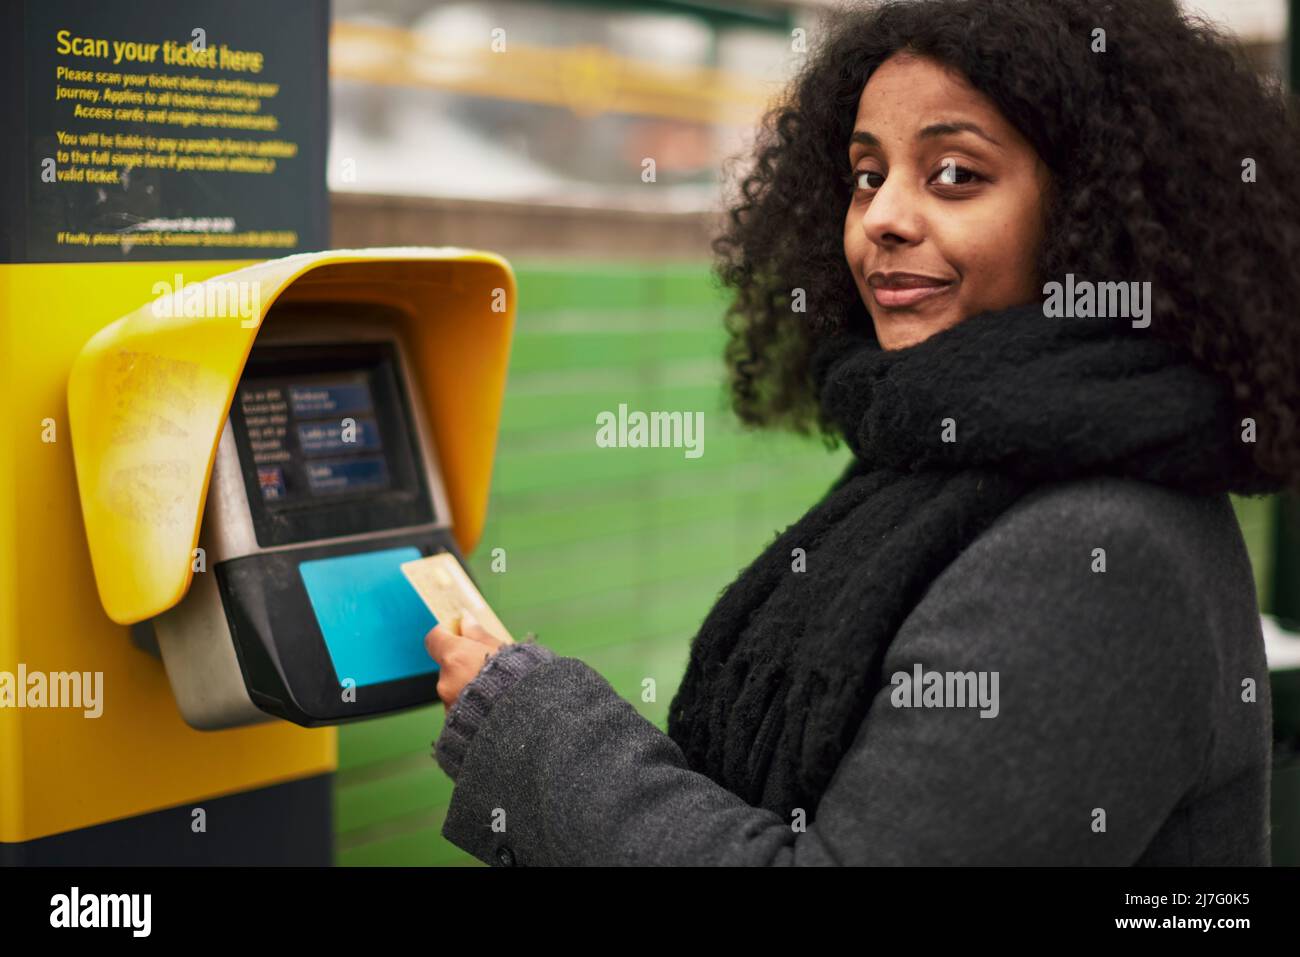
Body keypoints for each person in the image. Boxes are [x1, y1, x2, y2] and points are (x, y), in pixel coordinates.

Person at [423, 0, 1300, 865]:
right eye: (867, 174)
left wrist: (534, 728)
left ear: (1093, 220)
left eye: (956, 173)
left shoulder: (1102, 553)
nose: (882, 216)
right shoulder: (955, 460)